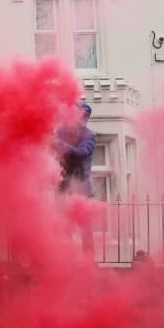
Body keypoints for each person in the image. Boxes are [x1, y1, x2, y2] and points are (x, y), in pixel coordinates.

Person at [56, 101, 97, 255]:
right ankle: (68, 258)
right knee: (63, 224)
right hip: (63, 185)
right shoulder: (62, 132)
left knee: (84, 226)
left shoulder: (89, 135)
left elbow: (82, 153)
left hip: (82, 186)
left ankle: (89, 260)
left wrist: (58, 143)